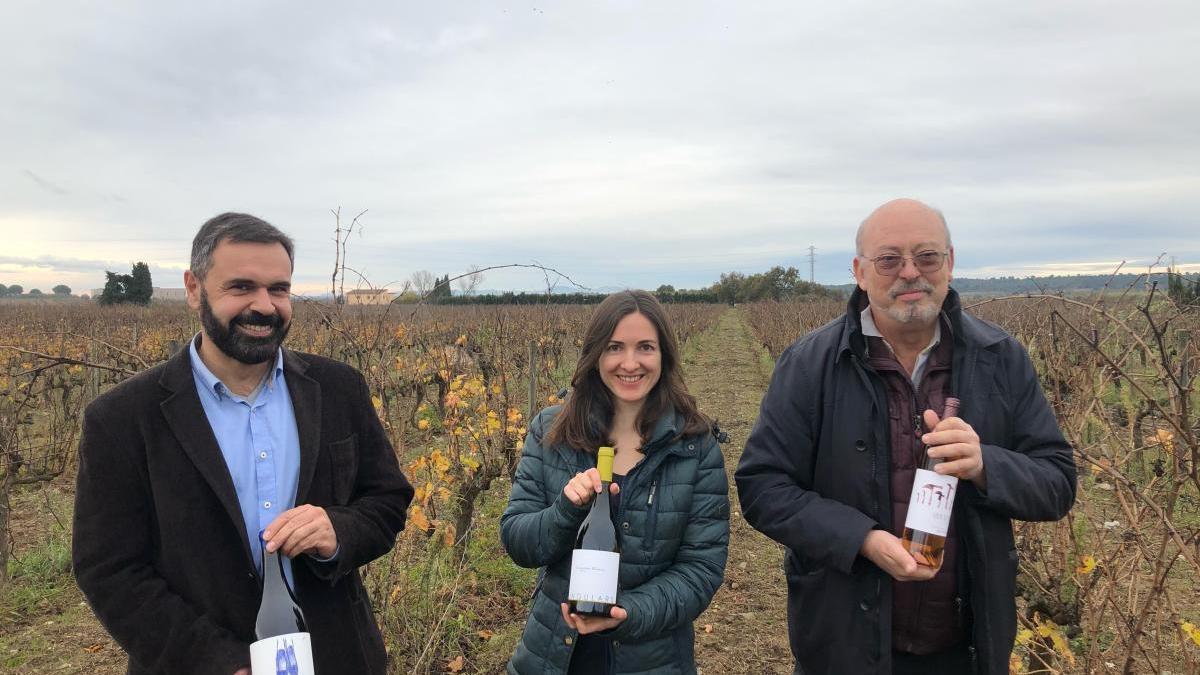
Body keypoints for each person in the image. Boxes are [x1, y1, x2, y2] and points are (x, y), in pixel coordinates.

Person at [735, 199, 1076, 674]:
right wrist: (863, 540)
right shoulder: (810, 364)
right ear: (859, 271)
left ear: (950, 264)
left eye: (927, 257)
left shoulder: (1001, 359)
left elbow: (1057, 482)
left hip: (966, 649)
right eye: (889, 259)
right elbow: (763, 487)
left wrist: (984, 465)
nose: (910, 272)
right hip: (841, 647)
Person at [72, 213, 415, 675]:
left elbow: (388, 500)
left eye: (278, 289)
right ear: (194, 288)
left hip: (339, 656)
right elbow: (109, 570)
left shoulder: (338, 389)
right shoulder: (122, 418)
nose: (265, 306)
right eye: (241, 287)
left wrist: (338, 530)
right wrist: (214, 661)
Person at [501, 290, 729, 674]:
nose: (630, 363)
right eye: (614, 347)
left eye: (645, 347)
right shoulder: (551, 431)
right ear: (595, 355)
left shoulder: (695, 448)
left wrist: (629, 613)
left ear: (664, 355)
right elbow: (518, 541)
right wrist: (564, 511)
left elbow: (701, 569)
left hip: (653, 659)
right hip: (553, 657)